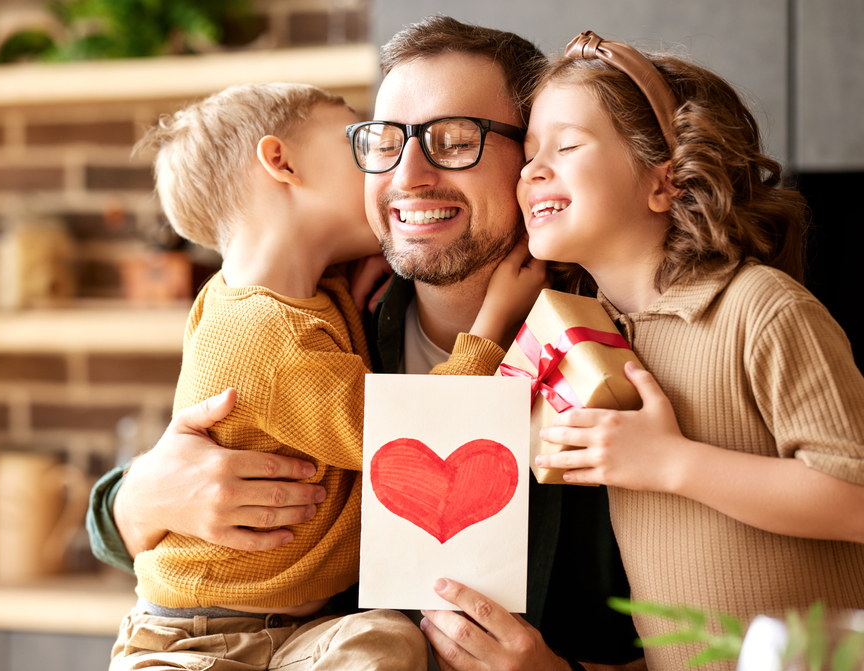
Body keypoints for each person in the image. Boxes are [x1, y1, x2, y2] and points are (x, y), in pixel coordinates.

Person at [89, 17, 645, 670]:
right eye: (380, 144)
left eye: (455, 140)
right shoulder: (325, 316)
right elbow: (209, 465)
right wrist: (133, 501)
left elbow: (734, 633)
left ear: (533, 161)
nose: (408, 175)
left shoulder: (611, 354)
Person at [519, 31, 864, 669]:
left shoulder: (760, 309)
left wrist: (672, 463)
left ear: (665, 182)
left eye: (566, 145)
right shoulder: (591, 337)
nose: (533, 168)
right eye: (529, 152)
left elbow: (854, 498)